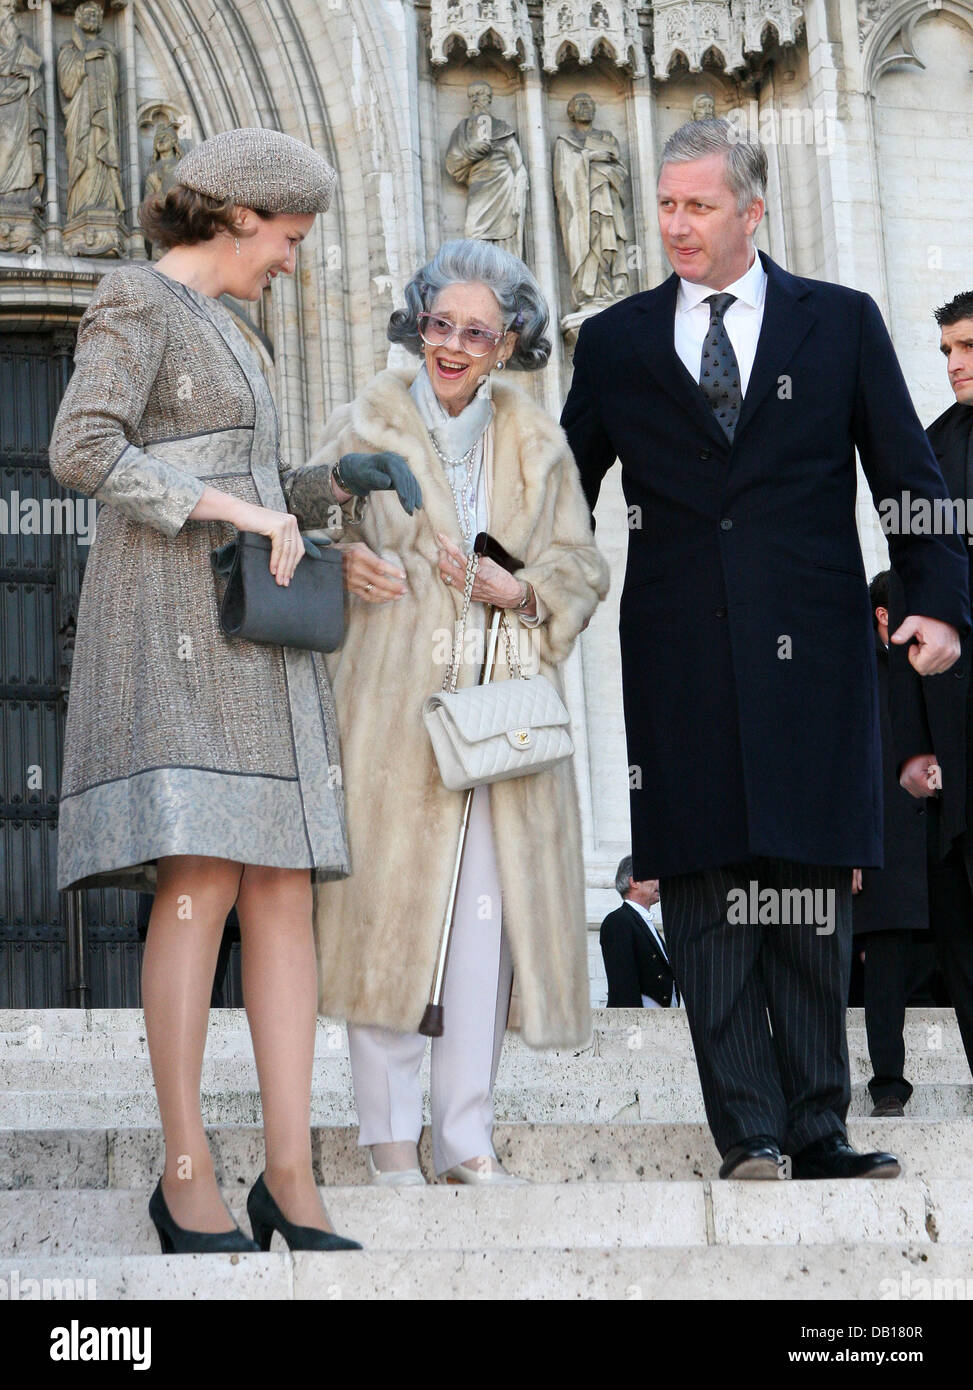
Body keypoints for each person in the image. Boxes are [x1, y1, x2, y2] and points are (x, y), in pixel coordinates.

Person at [561, 117, 969, 1181]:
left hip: (816, 654)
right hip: (679, 658)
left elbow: (908, 479)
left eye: (698, 206)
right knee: (705, 898)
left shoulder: (837, 323)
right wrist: (496, 566)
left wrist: (936, 604)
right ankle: (746, 1130)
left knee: (803, 895)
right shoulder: (614, 340)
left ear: (751, 211)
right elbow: (559, 488)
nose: (676, 226)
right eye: (664, 205)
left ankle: (818, 1128)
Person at [48, 127, 422, 1253]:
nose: (295, 260)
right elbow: (80, 448)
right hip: (168, 626)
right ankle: (187, 1169)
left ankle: (292, 1177)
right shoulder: (133, 299)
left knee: (284, 889)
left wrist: (327, 491)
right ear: (243, 216)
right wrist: (242, 511)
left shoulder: (242, 332)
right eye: (292, 239)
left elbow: (253, 482)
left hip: (257, 641)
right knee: (199, 879)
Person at [310, 238, 609, 1186]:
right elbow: (306, 520)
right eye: (440, 323)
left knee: (484, 930)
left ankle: (464, 1138)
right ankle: (389, 1141)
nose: (452, 345)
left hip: (503, 718)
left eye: (477, 332)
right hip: (392, 715)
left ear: (508, 340)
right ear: (418, 322)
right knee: (386, 921)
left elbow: (580, 568)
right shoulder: (366, 422)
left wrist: (518, 592)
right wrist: (343, 553)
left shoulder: (537, 441)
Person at [890, 290, 973, 1081]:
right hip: (952, 720)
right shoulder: (931, 448)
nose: (951, 364)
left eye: (967, 348)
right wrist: (913, 744)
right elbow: (909, 593)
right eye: (945, 349)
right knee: (957, 905)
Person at [852, 572, 933, 1116]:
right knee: (879, 974)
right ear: (884, 614)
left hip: (933, 846)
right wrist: (851, 846)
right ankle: (886, 1086)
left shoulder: (930, 670)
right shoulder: (857, 676)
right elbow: (848, 766)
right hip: (880, 849)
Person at [600, 856, 681, 1008]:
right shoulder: (618, 921)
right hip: (641, 1024)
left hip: (662, 1022)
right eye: (654, 876)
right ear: (634, 882)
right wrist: (633, 1029)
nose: (659, 882)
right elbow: (623, 985)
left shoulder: (644, 923)